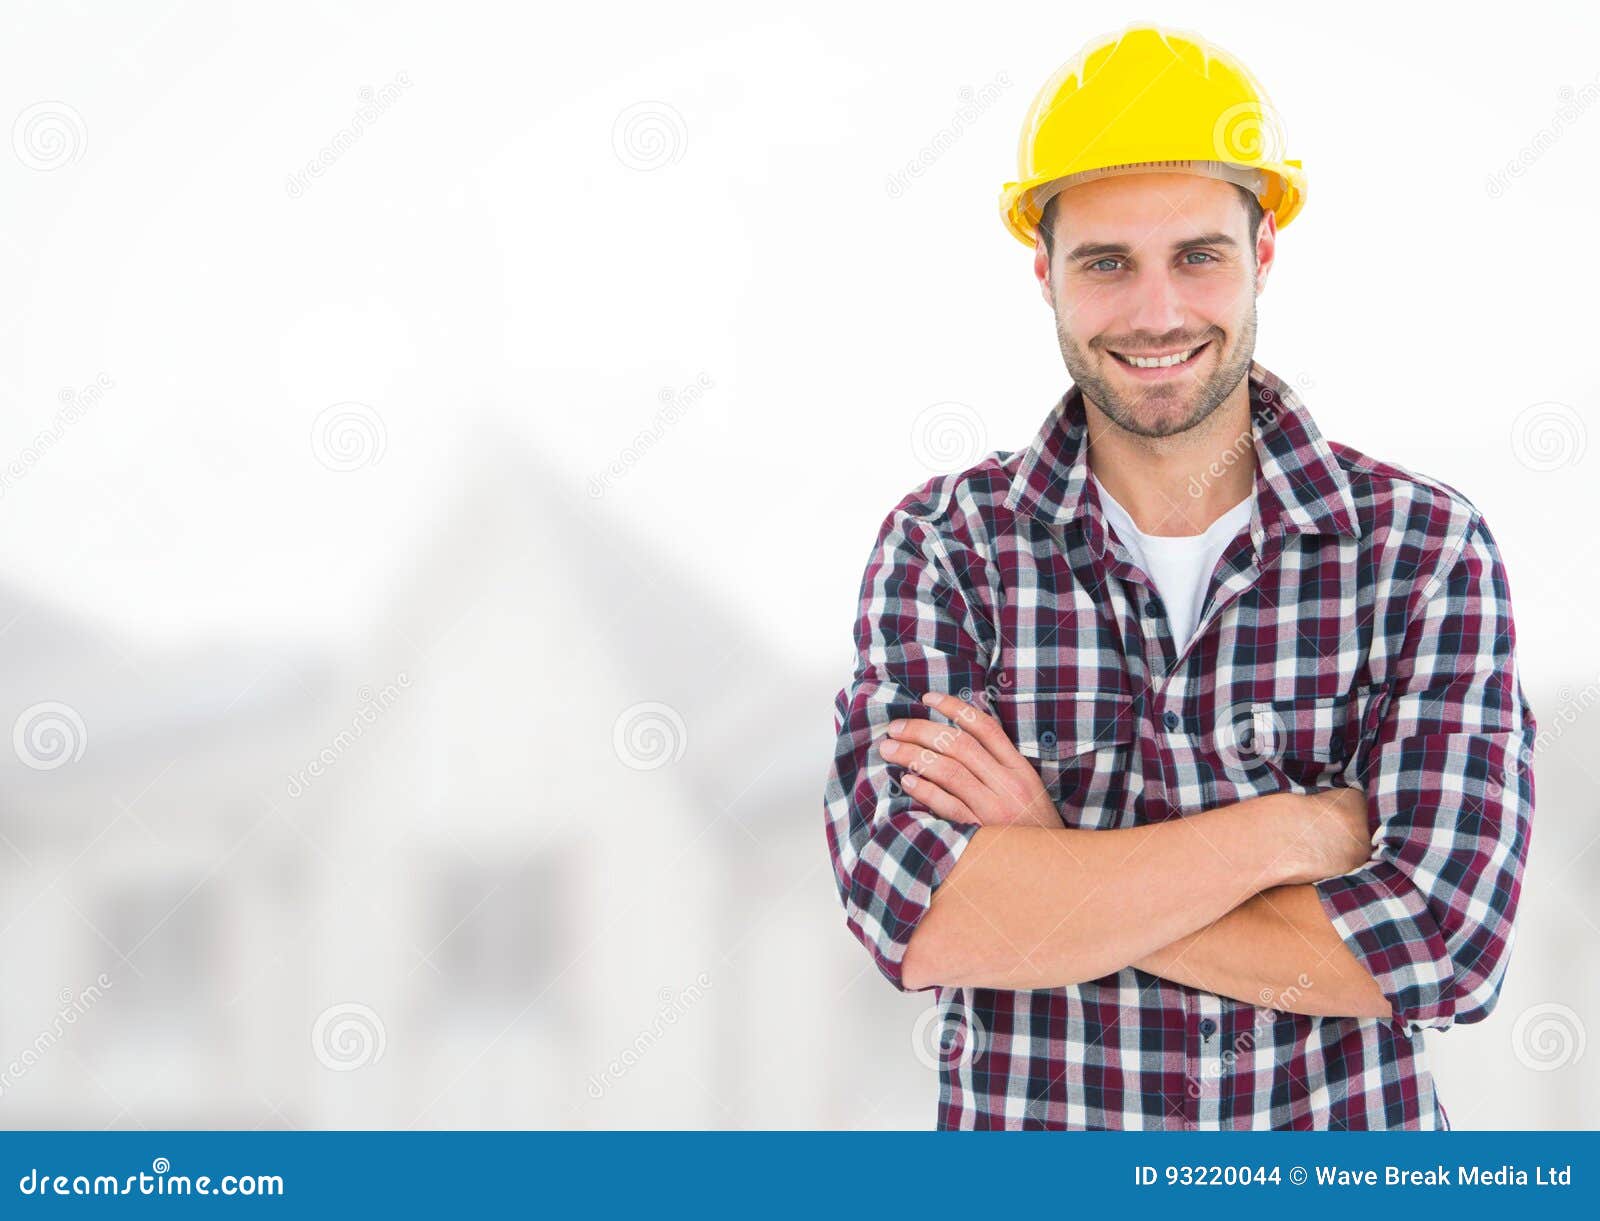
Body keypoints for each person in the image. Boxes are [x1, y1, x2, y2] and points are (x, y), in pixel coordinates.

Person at [821, 22, 1536, 1130]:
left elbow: (1443, 950)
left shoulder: (1420, 551)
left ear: (1262, 256)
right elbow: (914, 917)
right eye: (1107, 263)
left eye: (1197, 254)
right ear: (1043, 275)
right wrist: (1296, 833)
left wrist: (1052, 868)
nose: (1156, 313)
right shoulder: (946, 550)